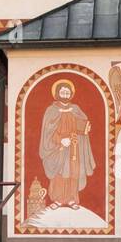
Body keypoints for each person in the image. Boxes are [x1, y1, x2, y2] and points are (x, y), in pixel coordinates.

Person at [39, 80, 95, 209]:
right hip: (59, 148)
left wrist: (85, 127)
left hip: (74, 147)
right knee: (60, 173)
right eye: (63, 92)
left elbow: (81, 123)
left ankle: (71, 199)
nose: (65, 95)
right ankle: (58, 200)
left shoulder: (75, 108)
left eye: (67, 92)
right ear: (57, 93)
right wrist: (60, 140)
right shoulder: (51, 110)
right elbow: (48, 131)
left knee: (73, 172)